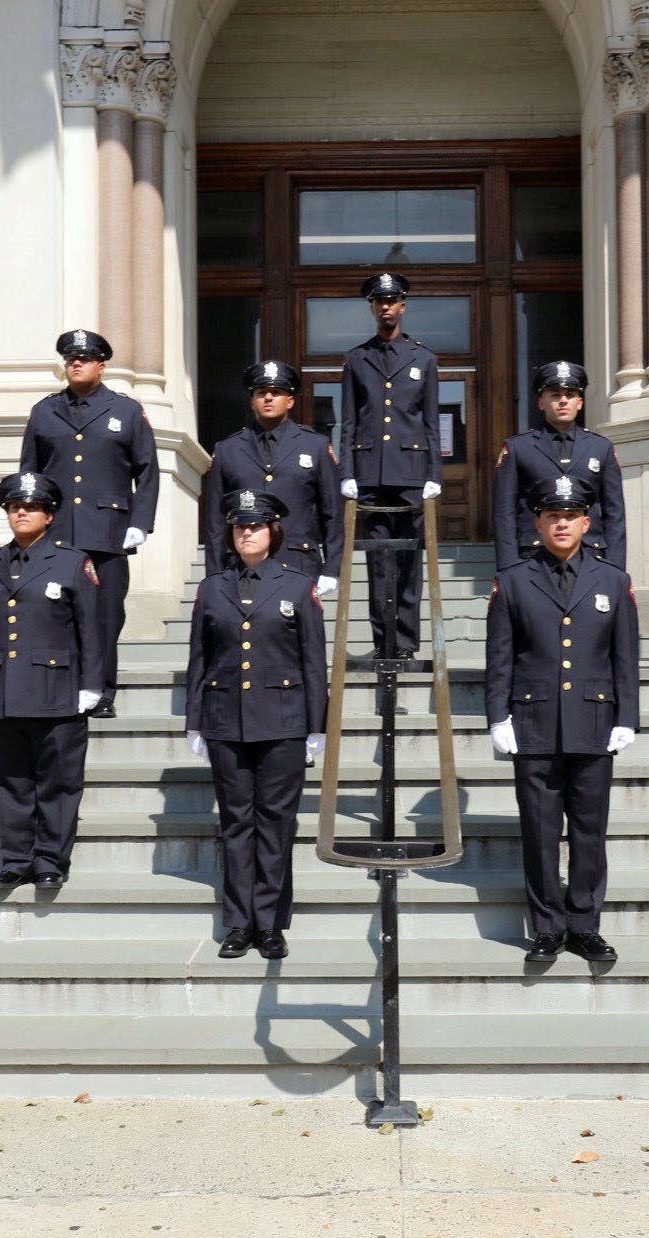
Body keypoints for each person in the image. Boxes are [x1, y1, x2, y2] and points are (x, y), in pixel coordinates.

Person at [486, 475, 641, 964]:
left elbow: (625, 658)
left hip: (594, 724)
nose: (561, 524)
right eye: (552, 516)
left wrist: (627, 717)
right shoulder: (512, 580)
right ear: (538, 522)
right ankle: (548, 926)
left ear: (585, 523)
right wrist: (498, 717)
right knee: (539, 830)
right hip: (533, 726)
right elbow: (500, 658)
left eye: (569, 516)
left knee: (590, 832)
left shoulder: (613, 580)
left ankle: (585, 926)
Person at [185, 489, 329, 961]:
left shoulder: (296, 584)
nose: (247, 532)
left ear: (273, 532)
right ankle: (238, 921)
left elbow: (313, 661)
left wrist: (316, 727)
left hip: (283, 723)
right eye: (240, 526)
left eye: (256, 525)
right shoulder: (211, 588)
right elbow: (199, 660)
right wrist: (194, 722)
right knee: (235, 824)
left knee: (275, 824)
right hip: (225, 720)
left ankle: (270, 923)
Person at [0, 472, 105, 891]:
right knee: (8, 780)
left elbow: (91, 630)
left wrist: (91, 685)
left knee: (57, 782)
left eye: (30, 507)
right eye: (13, 506)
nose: (20, 512)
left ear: (50, 515)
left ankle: (49, 859)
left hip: (56, 690)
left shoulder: (72, 562)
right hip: (3, 688)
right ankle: (16, 858)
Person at [18, 328, 160, 717]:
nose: (75, 364)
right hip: (58, 534)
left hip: (109, 533)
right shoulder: (44, 411)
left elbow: (147, 469)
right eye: (69, 359)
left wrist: (140, 522)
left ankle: (101, 692)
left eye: (83, 358)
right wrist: (30, 526)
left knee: (105, 615)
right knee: (54, 613)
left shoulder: (126, 410)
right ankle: (62, 688)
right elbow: (29, 475)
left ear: (102, 364)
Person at [337, 271, 442, 658]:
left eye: (391, 300)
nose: (385, 307)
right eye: (378, 301)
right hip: (370, 475)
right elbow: (349, 421)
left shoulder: (424, 359)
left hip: (412, 475)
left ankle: (407, 643)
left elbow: (431, 422)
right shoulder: (356, 359)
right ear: (371, 308)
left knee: (410, 564)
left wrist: (435, 474)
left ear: (403, 305)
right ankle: (384, 643)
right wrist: (346, 472)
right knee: (379, 564)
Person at [199, 360, 343, 597]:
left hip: (298, 563)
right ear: (251, 401)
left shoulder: (315, 446)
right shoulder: (228, 450)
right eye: (261, 393)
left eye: (276, 393)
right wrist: (214, 574)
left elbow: (332, 514)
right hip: (242, 566)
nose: (268, 398)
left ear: (290, 401)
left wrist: (332, 568)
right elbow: (215, 520)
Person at [491, 360, 626, 570]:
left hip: (591, 554)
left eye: (570, 395)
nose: (563, 401)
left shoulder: (602, 448)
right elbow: (504, 512)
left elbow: (614, 512)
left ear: (579, 402)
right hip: (532, 556)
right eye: (555, 394)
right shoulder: (518, 448)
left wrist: (615, 567)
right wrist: (508, 566)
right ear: (541, 402)